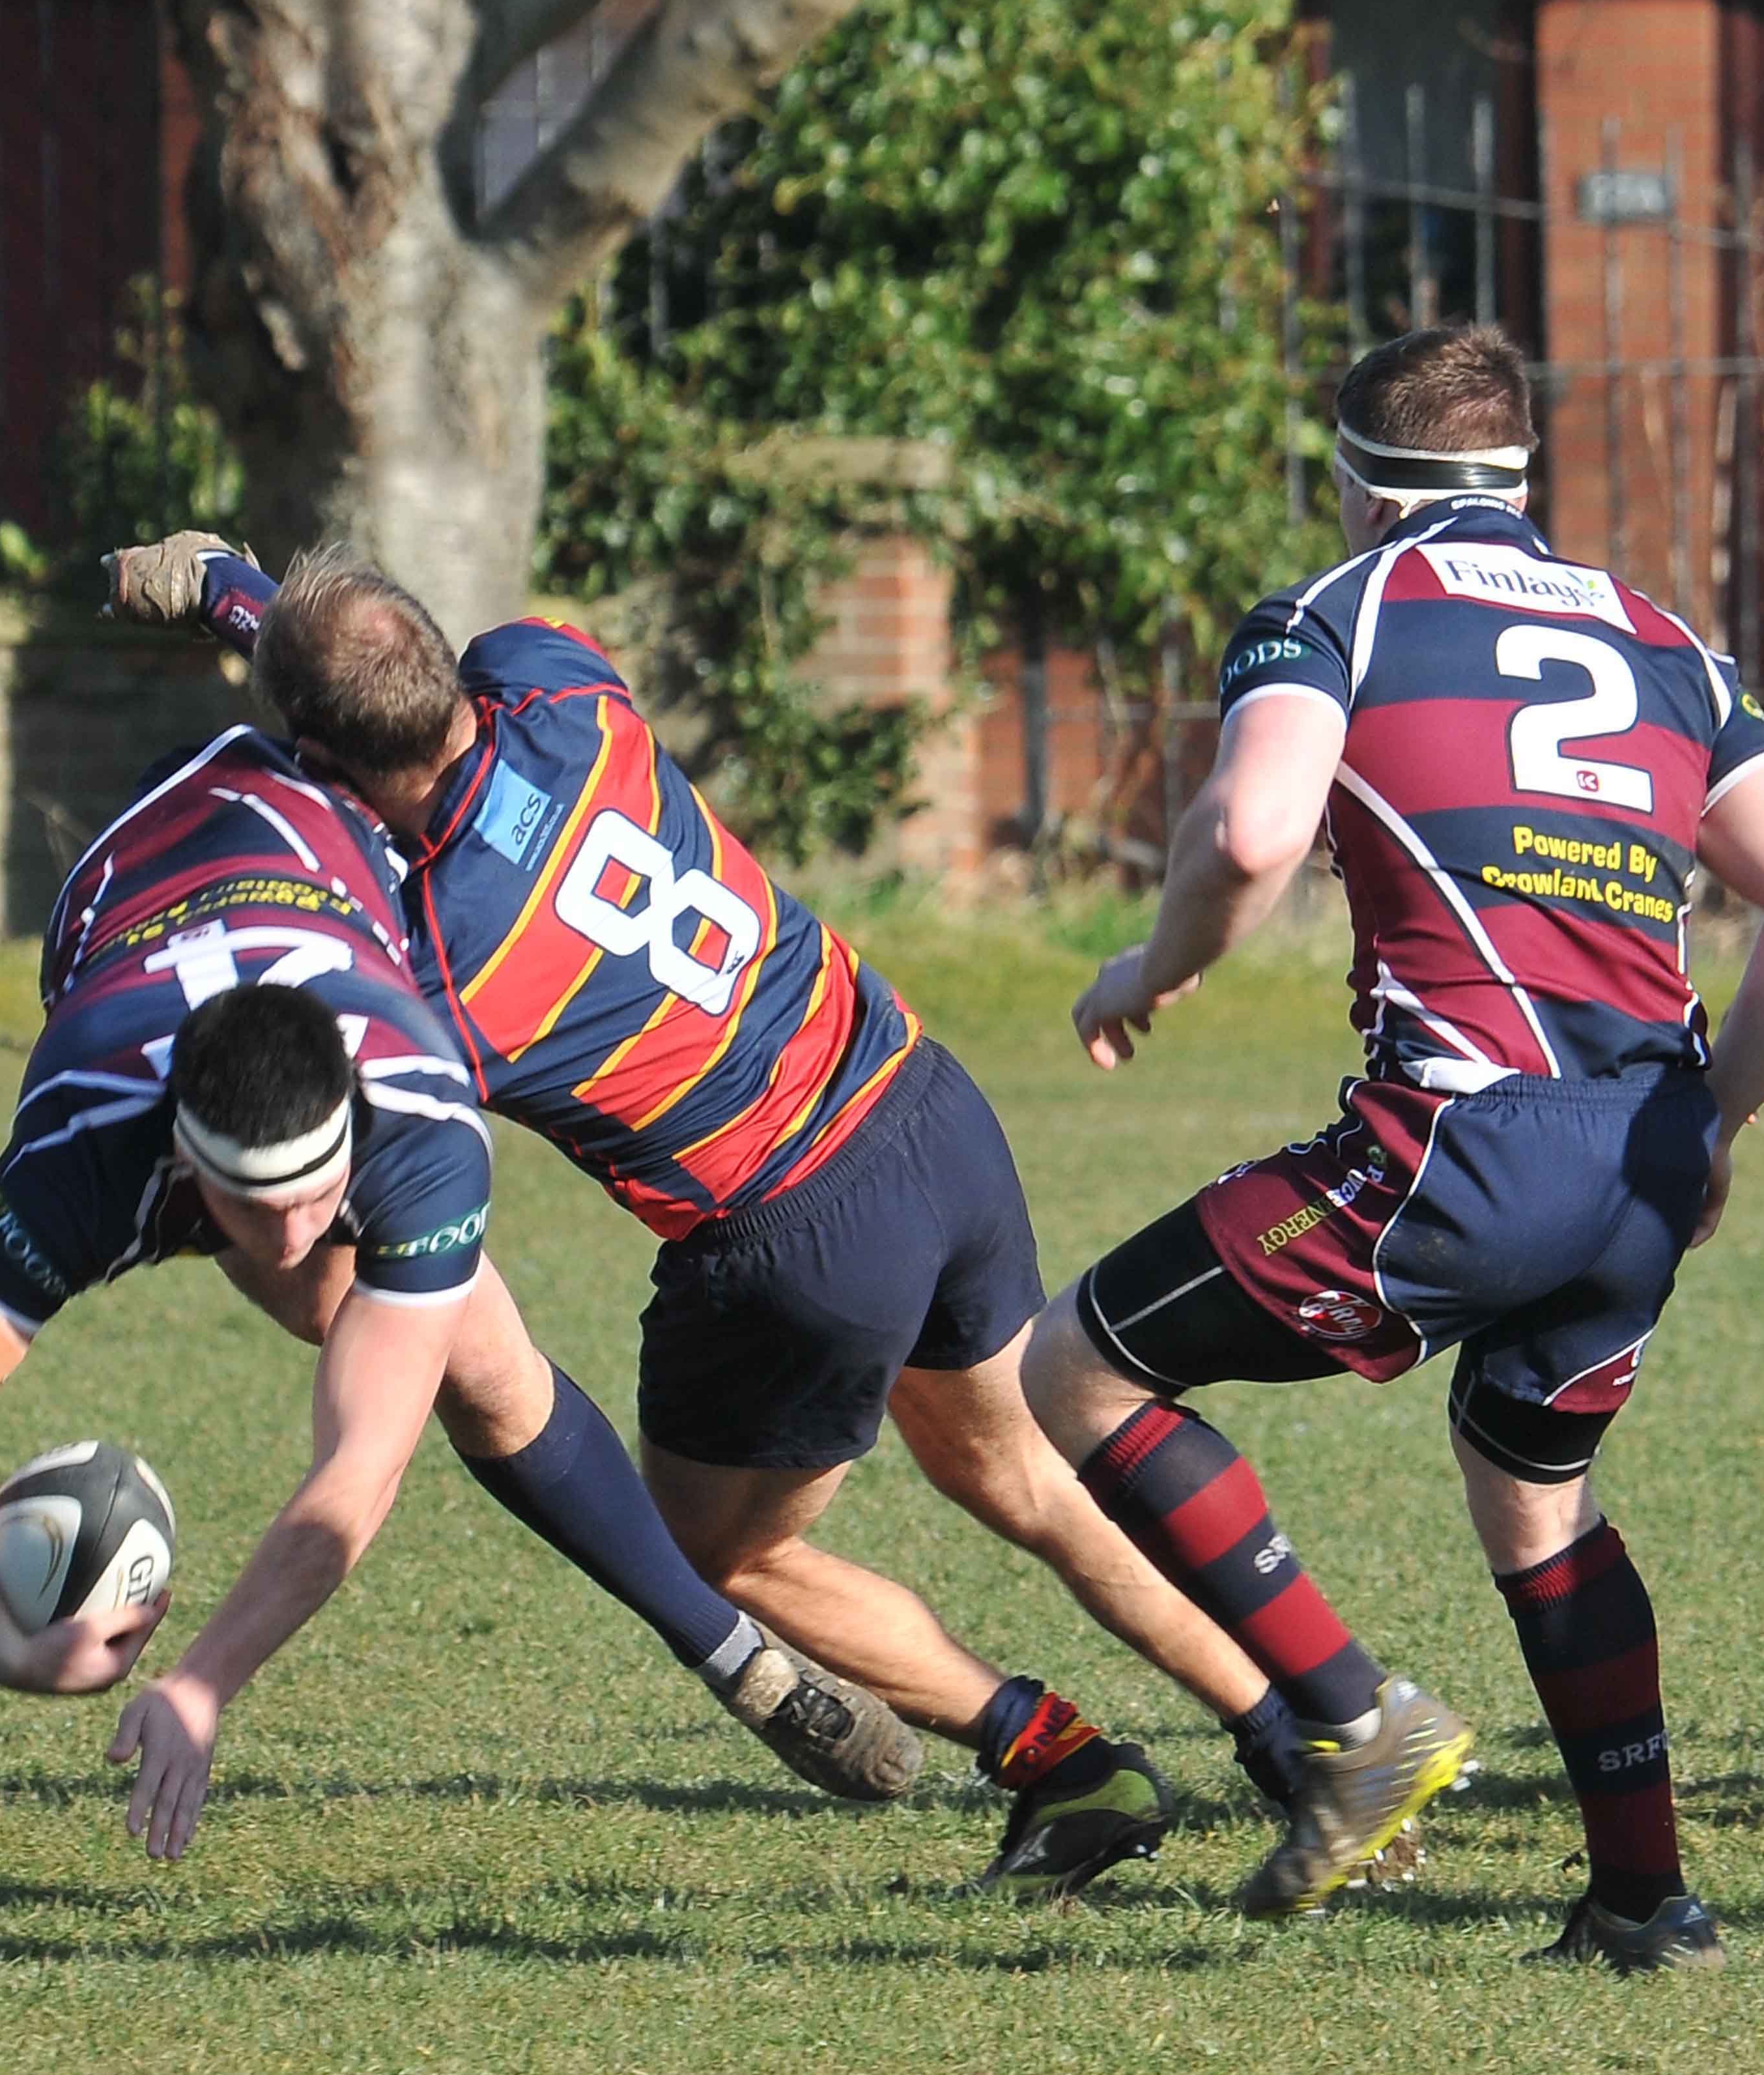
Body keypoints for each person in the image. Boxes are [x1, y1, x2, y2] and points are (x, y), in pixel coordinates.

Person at [116, 542, 1276, 1899]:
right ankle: (1302, 1725)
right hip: (919, 1096)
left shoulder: (431, 970)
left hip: (797, 1230)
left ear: (319, 756)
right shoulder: (556, 682)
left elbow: (352, 833)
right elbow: (394, 693)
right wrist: (236, 587)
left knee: (712, 1552)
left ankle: (1060, 1759)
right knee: (1027, 1472)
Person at [1006, 323, 1764, 1971]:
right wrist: (1709, 1107)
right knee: (1532, 1491)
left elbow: (1251, 830)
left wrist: (1146, 971)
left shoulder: (1338, 611)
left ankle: (1351, 1720)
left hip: (1460, 1138)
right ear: (1517, 480)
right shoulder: (1659, 636)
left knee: (1079, 1368)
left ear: (1354, 484)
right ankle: (1642, 1902)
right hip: (1637, 1158)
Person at [0, 724, 914, 1857]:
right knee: (331, 1304)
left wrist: (203, 1680)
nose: (304, 1229)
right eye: (258, 1210)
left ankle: (733, 1657)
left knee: (483, 1368)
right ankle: (733, 1648)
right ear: (187, 1171)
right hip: (124, 897)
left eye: (320, 1193)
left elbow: (361, 1466)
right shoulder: (83, 1151)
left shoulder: (423, 1117)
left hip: (324, 849)